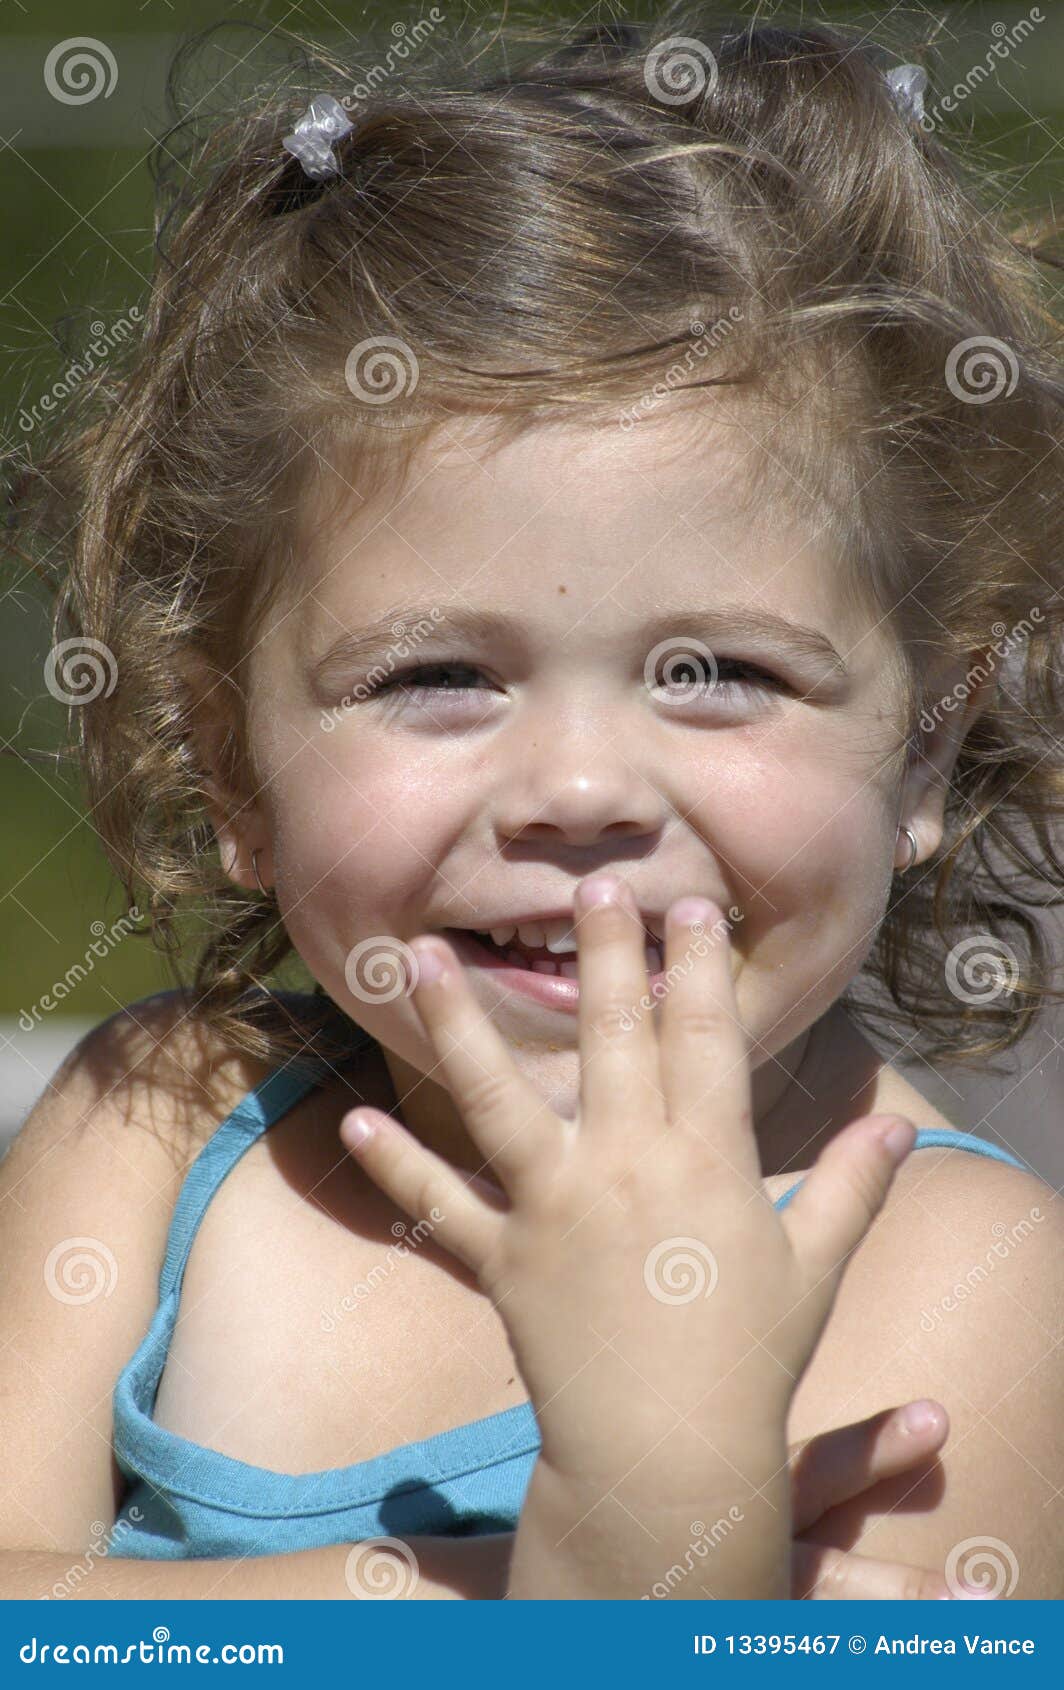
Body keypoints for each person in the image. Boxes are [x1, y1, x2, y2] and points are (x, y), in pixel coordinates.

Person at [2, 2, 1061, 1599]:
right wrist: (466, 1591)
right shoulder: (156, 1128)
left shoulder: (960, 1281)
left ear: (921, 750)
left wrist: (653, 1485)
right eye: (436, 675)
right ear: (232, 769)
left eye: (718, 671)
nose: (578, 791)